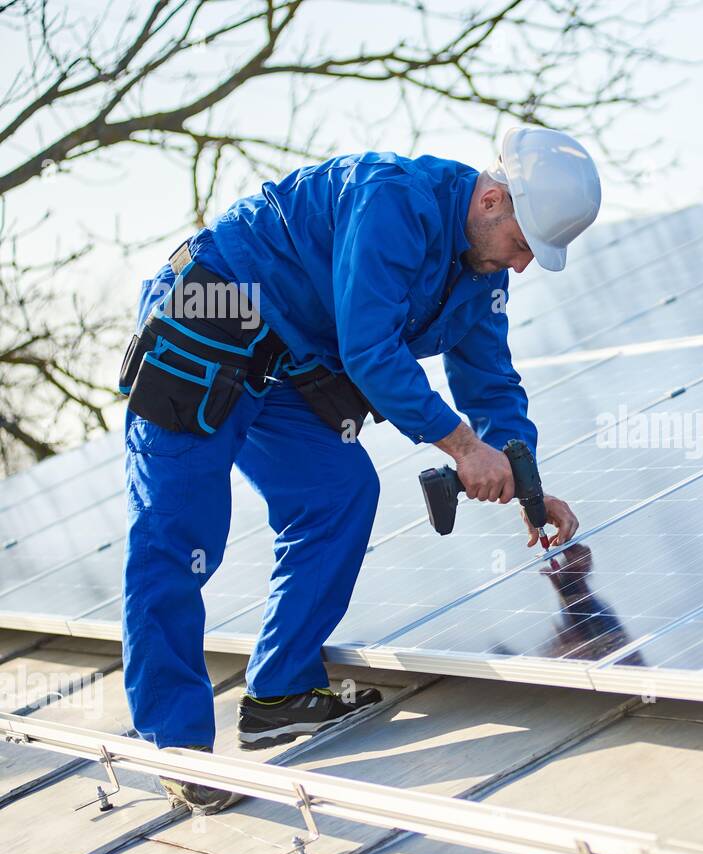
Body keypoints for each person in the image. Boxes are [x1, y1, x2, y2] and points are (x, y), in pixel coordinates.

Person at [118, 127, 601, 812]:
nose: (522, 267)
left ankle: (280, 693)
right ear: (493, 199)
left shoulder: (480, 275)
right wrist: (463, 448)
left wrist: (526, 483)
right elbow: (370, 351)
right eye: (523, 246)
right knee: (176, 537)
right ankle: (176, 747)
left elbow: (491, 383)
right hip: (204, 327)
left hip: (280, 367)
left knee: (339, 492)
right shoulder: (393, 201)